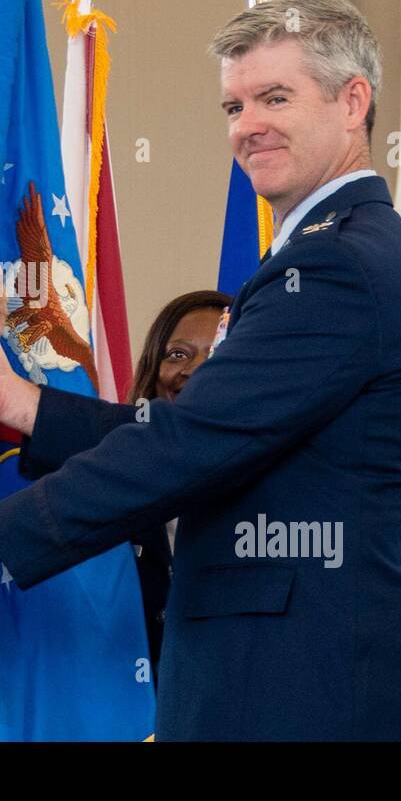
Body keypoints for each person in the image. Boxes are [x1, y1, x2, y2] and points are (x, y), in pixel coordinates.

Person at [0, 0, 401, 741]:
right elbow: (199, 434)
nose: (248, 126)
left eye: (275, 97)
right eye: (234, 107)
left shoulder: (337, 264)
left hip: (313, 693)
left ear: (352, 102)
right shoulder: (343, 252)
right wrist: (21, 402)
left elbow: (186, 448)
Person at [127, 290, 233, 679]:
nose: (197, 369)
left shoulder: (275, 498)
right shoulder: (111, 490)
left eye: (218, 352)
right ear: (152, 374)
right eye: (177, 355)